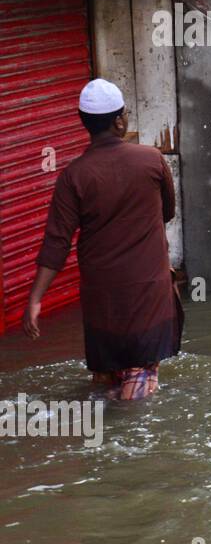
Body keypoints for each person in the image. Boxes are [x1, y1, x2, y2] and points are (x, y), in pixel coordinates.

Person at [24, 79, 182, 400]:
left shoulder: (73, 176)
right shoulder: (151, 160)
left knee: (109, 383)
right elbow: (167, 212)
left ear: (84, 123)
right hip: (148, 296)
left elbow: (57, 243)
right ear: (119, 121)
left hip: (102, 305)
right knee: (139, 382)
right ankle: (135, 443)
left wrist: (35, 300)